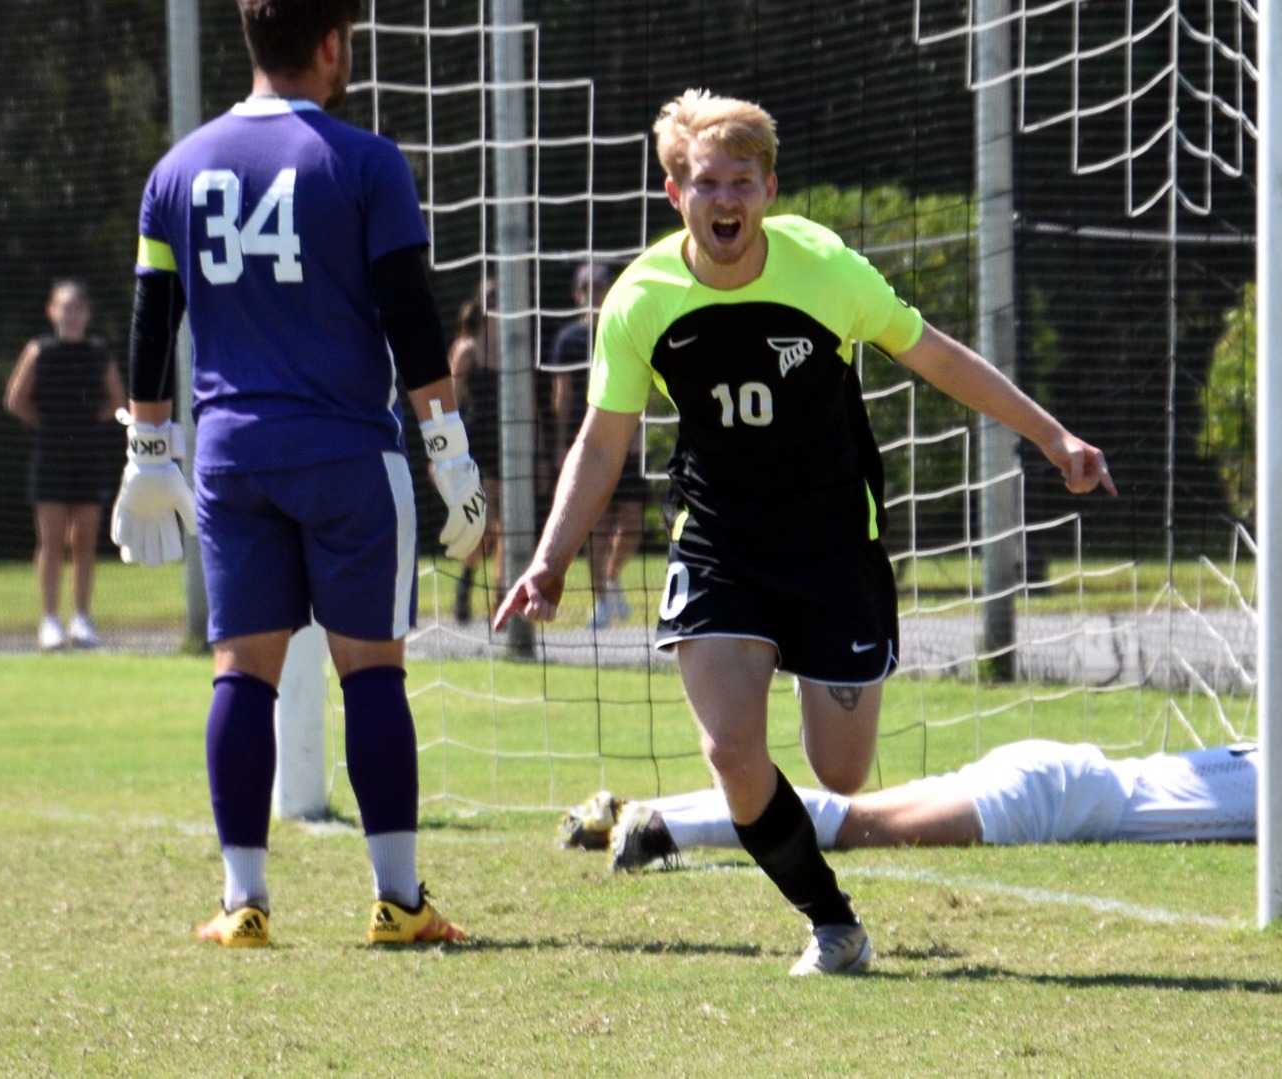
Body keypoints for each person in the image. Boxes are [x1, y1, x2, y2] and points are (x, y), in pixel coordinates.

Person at [493, 89, 1116, 976]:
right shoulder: (639, 300)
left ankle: (808, 671)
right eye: (706, 183)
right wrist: (551, 560)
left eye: (741, 182)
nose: (725, 201)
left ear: (768, 190)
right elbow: (602, 439)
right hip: (720, 545)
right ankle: (833, 924)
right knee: (730, 750)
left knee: (843, 774)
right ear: (677, 196)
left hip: (832, 546)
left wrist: (1052, 436)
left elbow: (936, 353)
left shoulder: (826, 271)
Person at [115, 0, 487, 949]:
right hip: (347, 455)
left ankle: (245, 903)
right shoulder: (367, 162)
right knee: (373, 674)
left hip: (232, 458)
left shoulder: (175, 171)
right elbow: (409, 313)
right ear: (331, 45)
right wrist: (449, 452)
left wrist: (147, 452)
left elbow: (153, 324)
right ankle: (398, 902)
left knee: (242, 673)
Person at [565, 712, 1282, 871]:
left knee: (874, 817)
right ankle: (669, 825)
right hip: (1069, 795)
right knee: (864, 825)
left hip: (1065, 777)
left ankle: (636, 810)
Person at [3, 279, 126, 650]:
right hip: (50, 453)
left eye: (78, 308)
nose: (72, 315)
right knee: (51, 540)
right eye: (65, 307)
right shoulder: (39, 351)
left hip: (89, 453)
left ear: (87, 313)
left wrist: (88, 423)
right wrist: (47, 424)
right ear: (51, 311)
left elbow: (119, 402)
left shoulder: (99, 353)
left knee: (85, 540)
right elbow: (15, 399)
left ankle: (82, 620)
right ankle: (50, 621)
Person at [546, 263, 646, 629]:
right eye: (588, 287)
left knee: (632, 521)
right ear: (576, 294)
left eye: (602, 286)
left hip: (625, 434)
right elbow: (561, 394)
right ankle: (602, 599)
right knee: (596, 522)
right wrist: (561, 444)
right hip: (584, 436)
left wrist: (638, 431)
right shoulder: (568, 339)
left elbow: (642, 383)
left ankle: (610, 578)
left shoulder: (623, 326)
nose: (595, 292)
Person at [448, 289, 502, 623]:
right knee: (483, 521)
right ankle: (463, 593)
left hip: (507, 442)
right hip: (476, 440)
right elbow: (449, 402)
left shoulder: (513, 346)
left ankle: (503, 598)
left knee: (507, 524)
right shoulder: (467, 349)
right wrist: (444, 453)